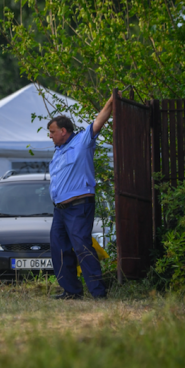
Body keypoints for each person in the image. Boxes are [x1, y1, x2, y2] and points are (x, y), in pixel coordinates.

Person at [48, 94, 114, 300]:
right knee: (59, 249)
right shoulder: (57, 152)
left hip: (78, 207)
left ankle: (98, 294)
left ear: (63, 131)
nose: (50, 136)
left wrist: (111, 100)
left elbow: (99, 120)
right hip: (60, 210)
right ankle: (72, 291)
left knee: (82, 248)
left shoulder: (82, 141)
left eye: (52, 132)